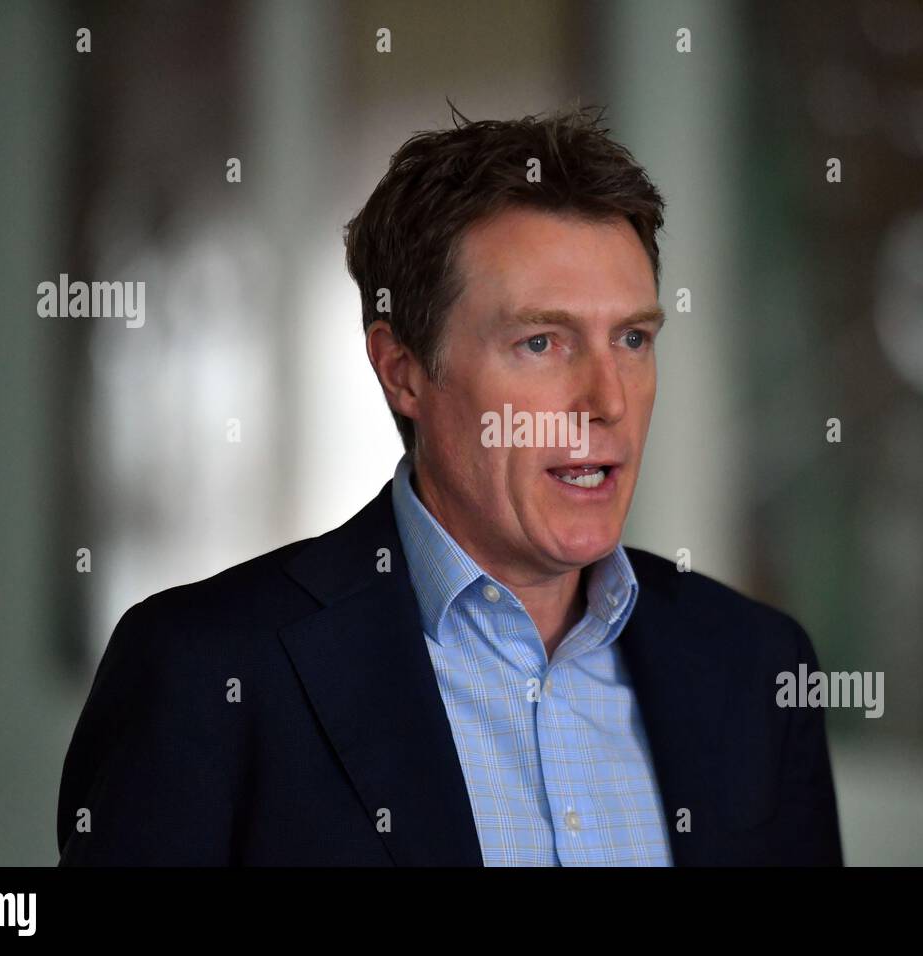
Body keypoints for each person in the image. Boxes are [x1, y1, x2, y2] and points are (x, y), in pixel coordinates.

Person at [57, 104, 843, 866]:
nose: (608, 401)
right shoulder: (205, 671)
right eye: (542, 342)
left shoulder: (758, 666)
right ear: (403, 370)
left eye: (632, 338)